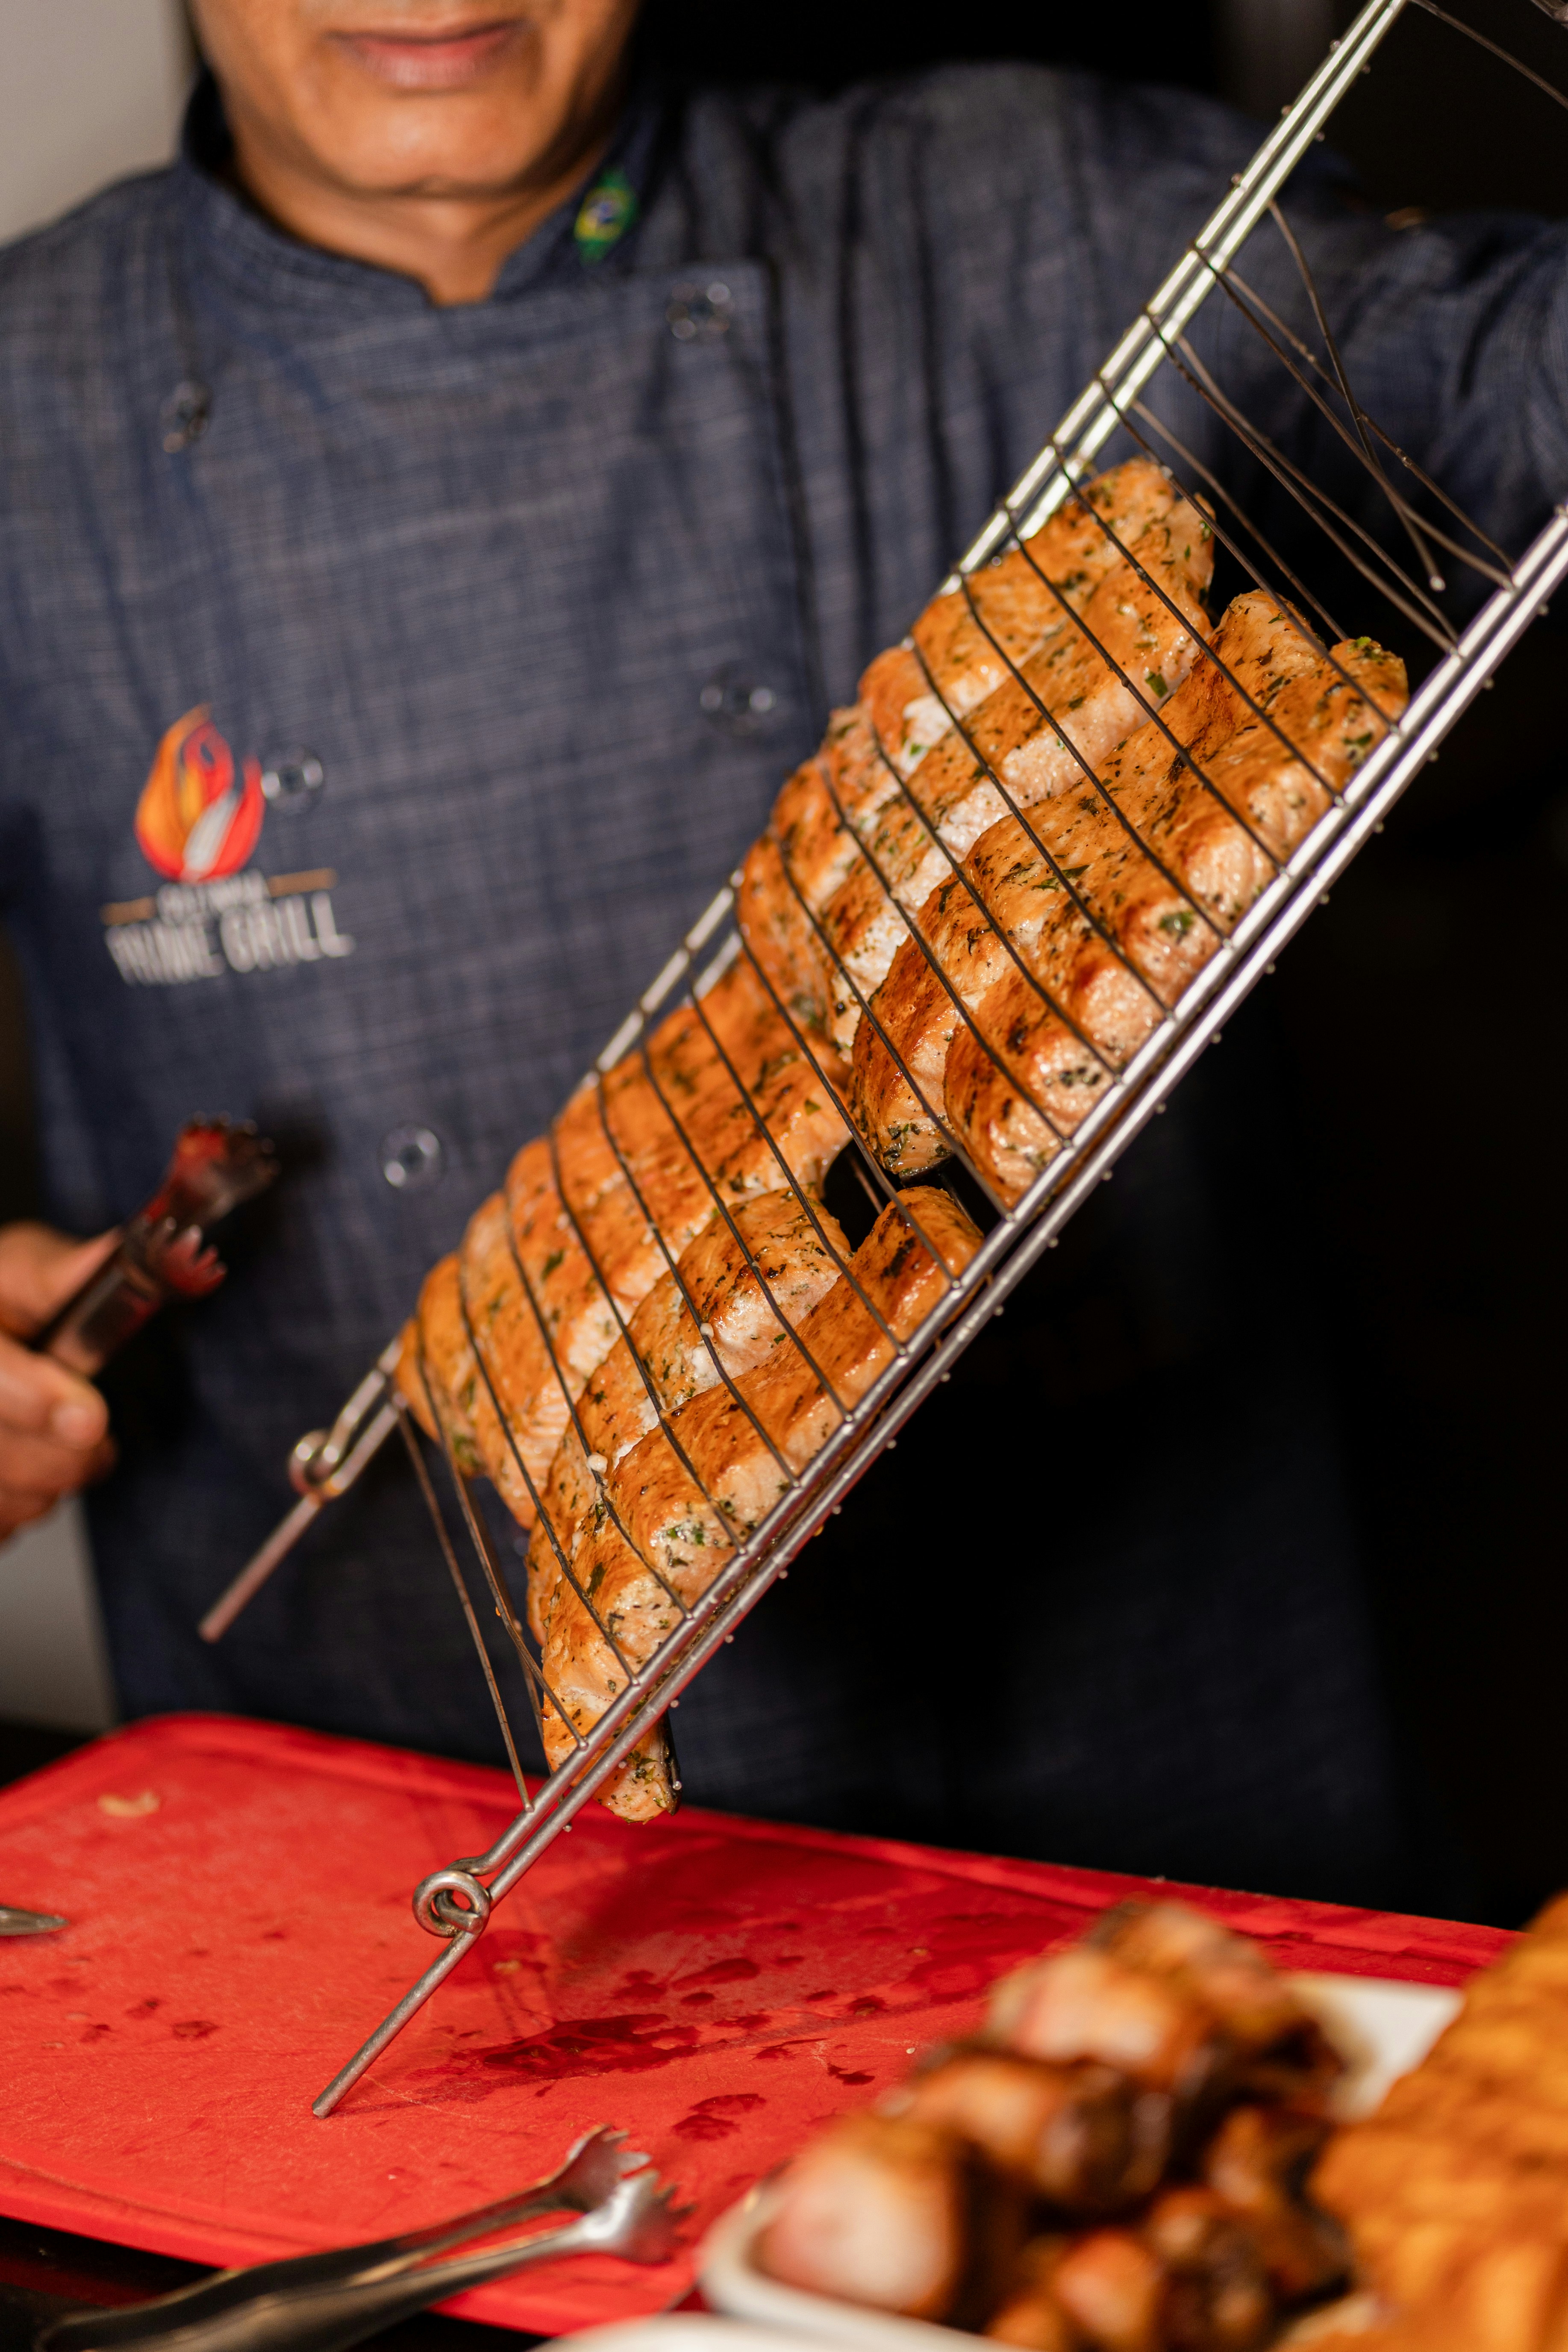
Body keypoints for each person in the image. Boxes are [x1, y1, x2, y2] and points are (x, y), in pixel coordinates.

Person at [0, 0, 1560, 1908]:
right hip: (374, 1830)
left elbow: (1512, 374)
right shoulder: (26, 409)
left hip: (1162, 1815)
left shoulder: (1023, 210)